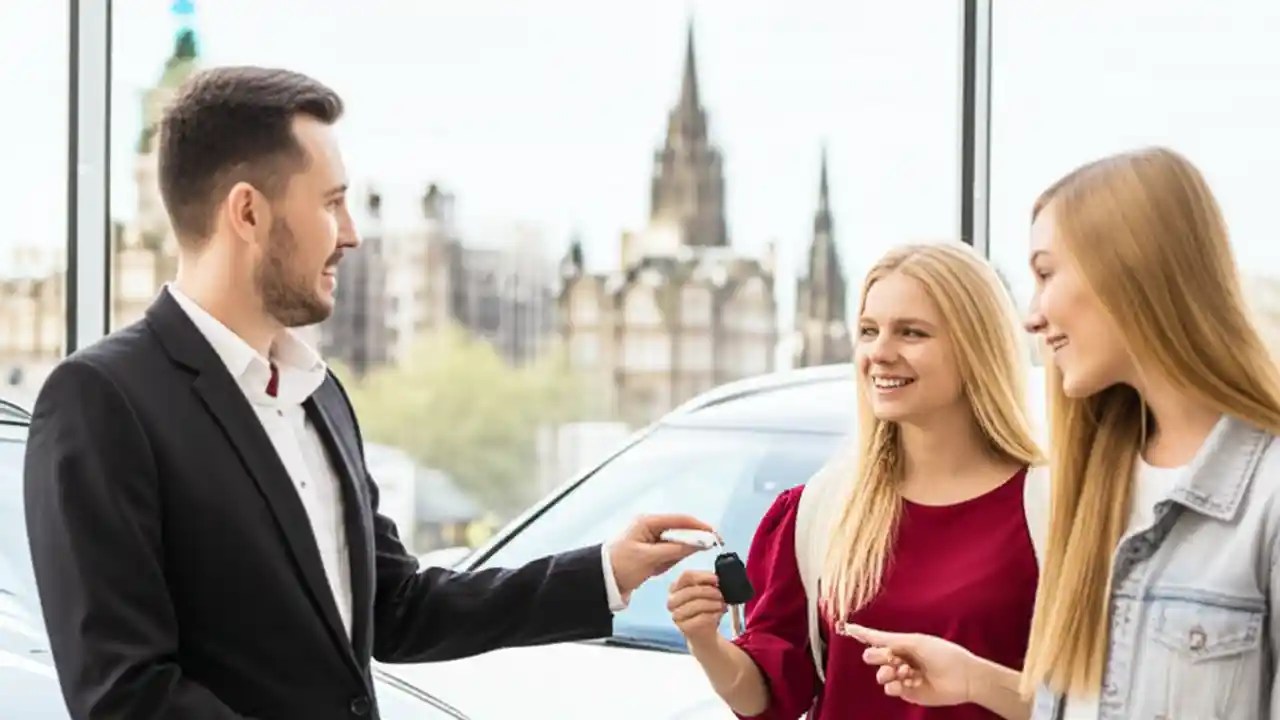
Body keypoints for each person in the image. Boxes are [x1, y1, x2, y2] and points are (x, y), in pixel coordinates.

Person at [22, 65, 712, 720]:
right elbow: (128, 697)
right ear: (248, 213)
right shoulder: (101, 402)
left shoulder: (318, 395)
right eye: (331, 203)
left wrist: (604, 573)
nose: (351, 233)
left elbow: (396, 608)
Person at [855, 147, 1280, 720]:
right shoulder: (1090, 489)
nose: (1031, 315)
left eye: (1046, 273)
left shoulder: (1268, 497)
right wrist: (976, 679)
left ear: (1130, 270)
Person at [666, 241, 1046, 719]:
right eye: (869, 331)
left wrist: (977, 680)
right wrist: (705, 642)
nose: (880, 353)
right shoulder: (820, 510)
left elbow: (1101, 705)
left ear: (976, 347)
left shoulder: (1051, 511)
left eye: (911, 333)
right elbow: (772, 700)